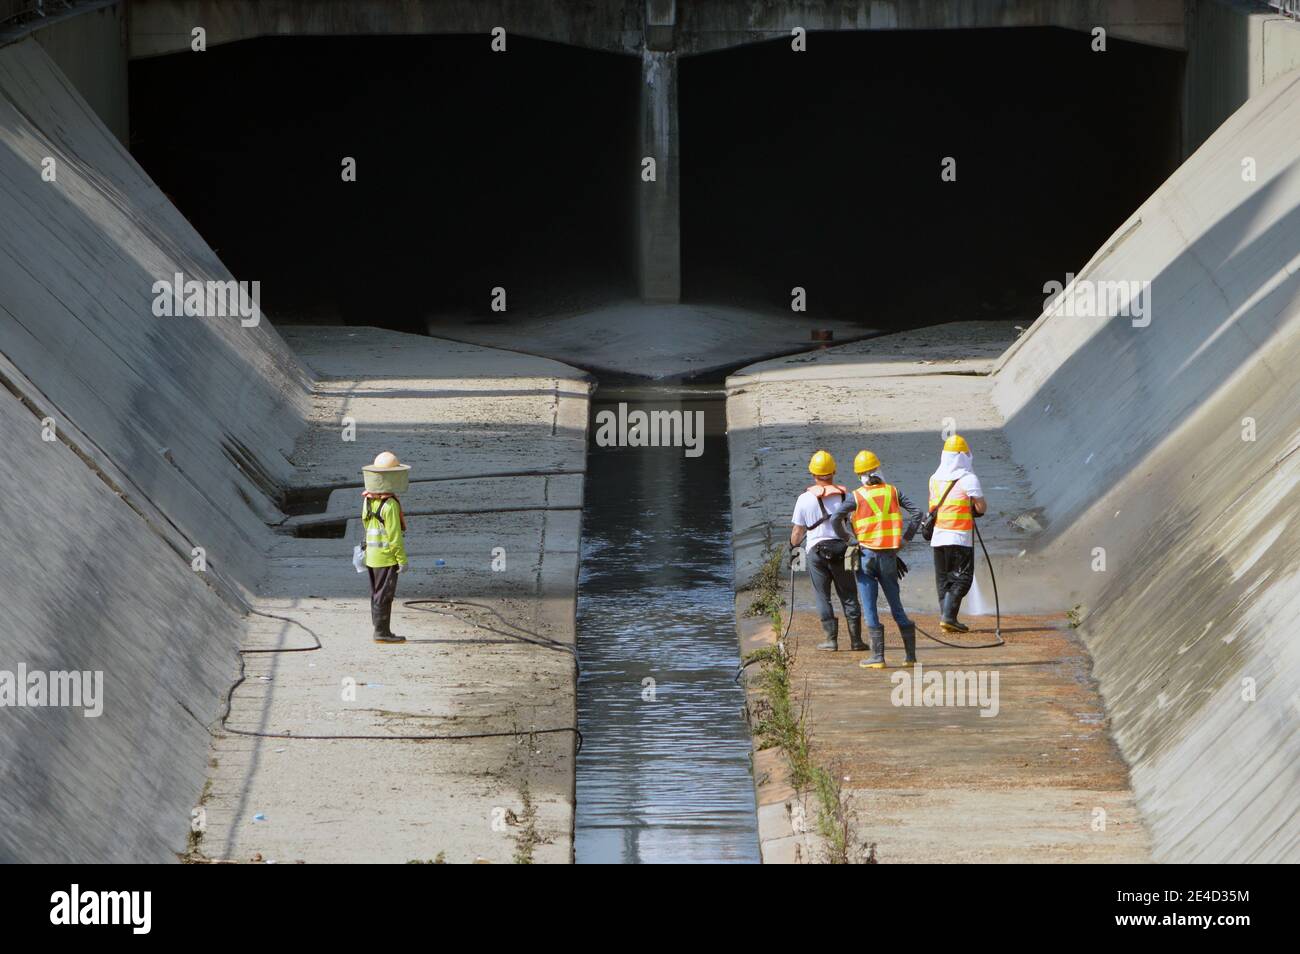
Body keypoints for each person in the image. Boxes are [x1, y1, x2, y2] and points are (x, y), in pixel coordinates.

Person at [833, 450, 922, 668]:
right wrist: (905, 540)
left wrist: (849, 539)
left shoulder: (856, 496)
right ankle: (910, 657)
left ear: (860, 475)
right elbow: (918, 514)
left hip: (866, 556)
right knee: (896, 606)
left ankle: (878, 657)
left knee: (870, 606)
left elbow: (835, 518)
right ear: (878, 469)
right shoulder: (893, 491)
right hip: (889, 556)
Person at [789, 450, 864, 651]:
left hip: (816, 553)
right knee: (849, 594)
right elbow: (855, 525)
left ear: (812, 473)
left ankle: (831, 640)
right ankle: (856, 641)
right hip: (844, 551)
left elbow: (797, 532)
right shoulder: (846, 496)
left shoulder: (804, 499)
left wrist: (793, 550)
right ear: (834, 471)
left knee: (823, 596)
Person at [928, 434, 986, 633]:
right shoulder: (968, 479)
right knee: (963, 577)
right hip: (960, 537)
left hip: (938, 537)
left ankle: (946, 618)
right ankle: (949, 617)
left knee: (943, 579)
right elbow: (981, 507)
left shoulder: (934, 478)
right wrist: (973, 506)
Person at [362, 451, 410, 644]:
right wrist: (402, 560)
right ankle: (382, 632)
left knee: (376, 593)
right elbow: (394, 536)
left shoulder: (367, 500)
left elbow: (366, 524)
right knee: (385, 595)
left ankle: (378, 629)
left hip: (371, 556)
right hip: (386, 557)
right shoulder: (390, 505)